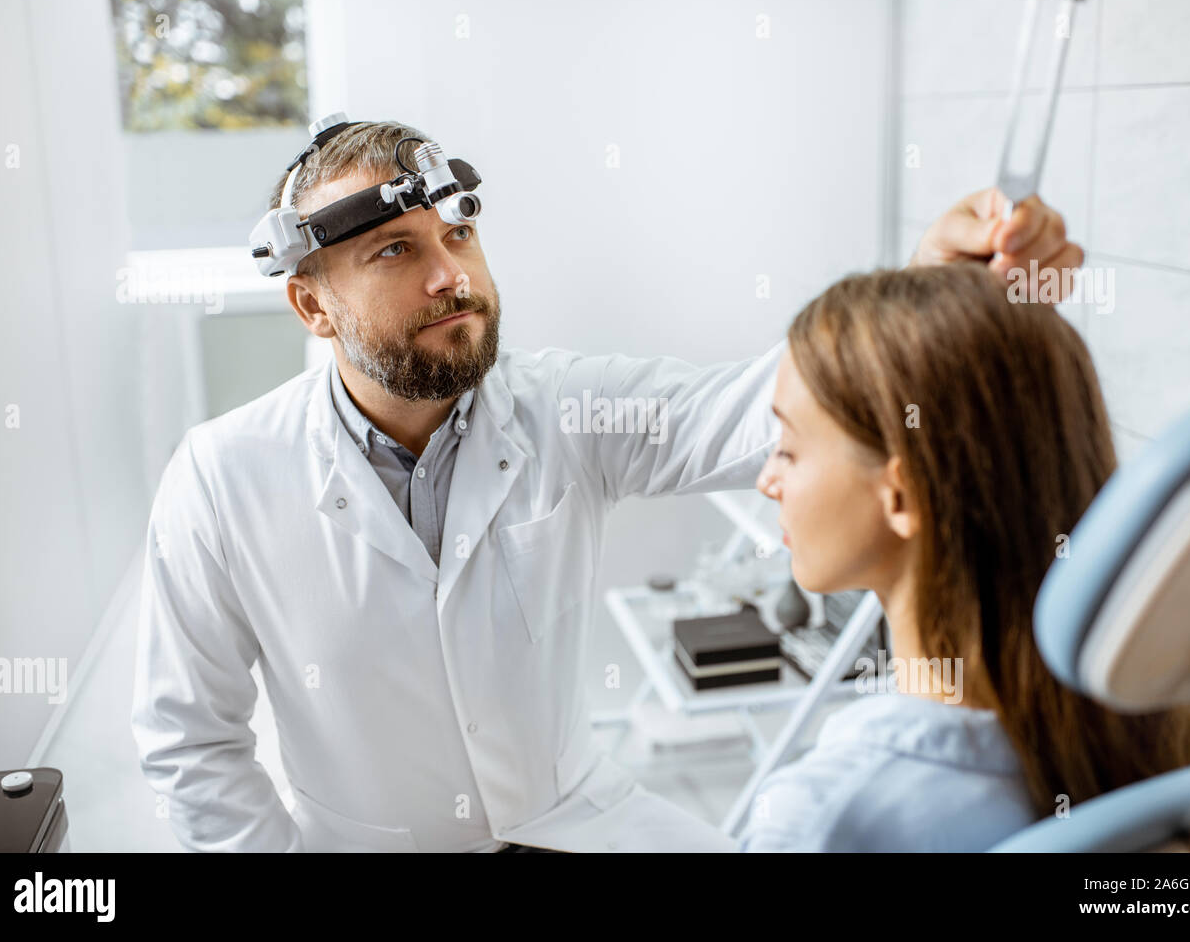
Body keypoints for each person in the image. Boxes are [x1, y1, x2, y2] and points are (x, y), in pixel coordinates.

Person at [131, 119, 1082, 852]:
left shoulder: (561, 409)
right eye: (395, 251)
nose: (449, 276)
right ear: (311, 303)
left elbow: (760, 409)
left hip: (577, 827)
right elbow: (191, 743)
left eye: (457, 235)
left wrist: (926, 286)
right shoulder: (219, 480)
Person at [739, 263, 1190, 851]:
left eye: (787, 449)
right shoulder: (1169, 728)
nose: (766, 480)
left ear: (901, 494)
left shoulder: (824, 817)